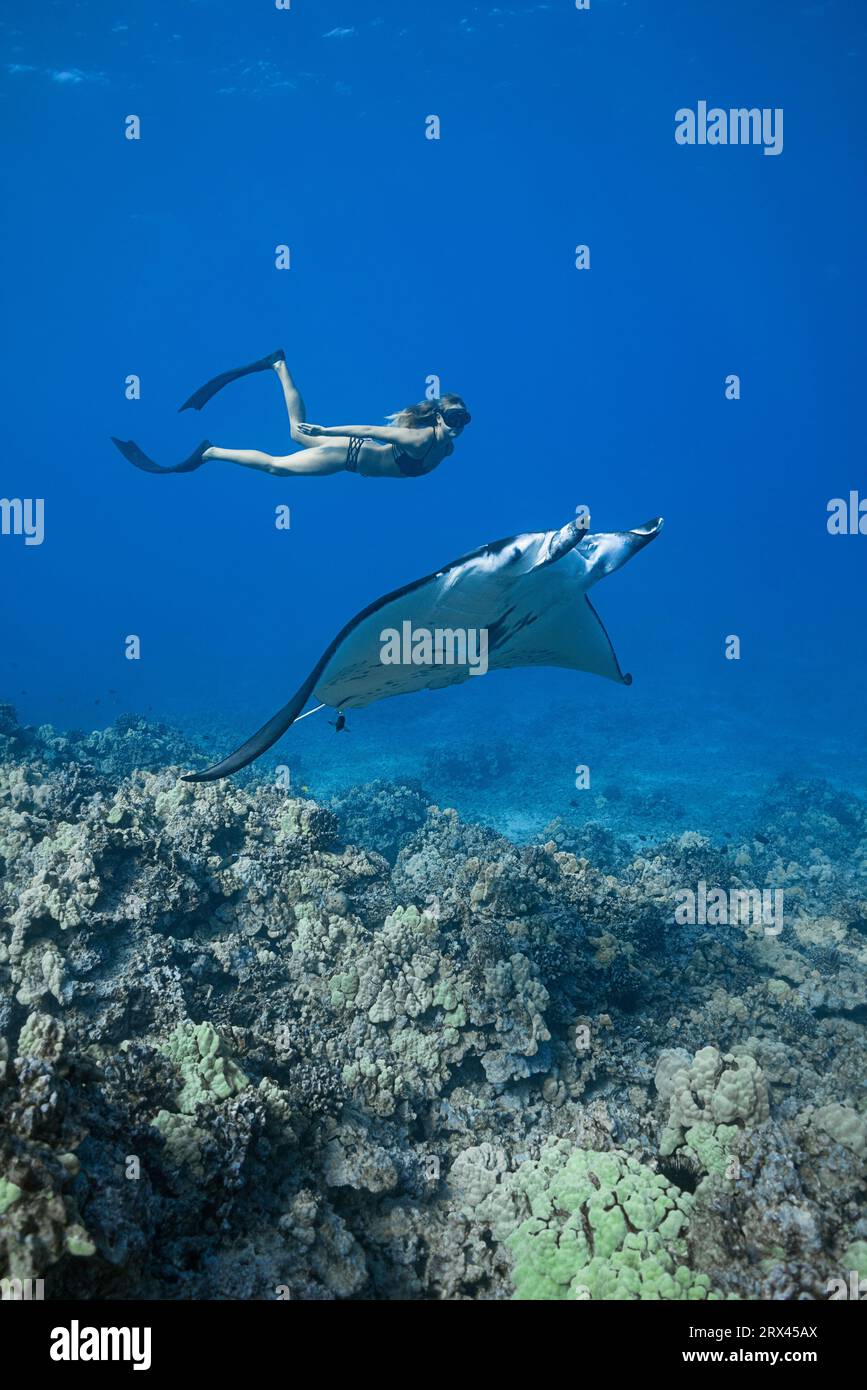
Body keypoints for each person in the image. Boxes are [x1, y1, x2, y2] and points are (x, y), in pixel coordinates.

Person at [111, 349, 470, 480]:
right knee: (278, 467)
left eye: (463, 421)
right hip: (349, 454)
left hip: (354, 451)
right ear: (439, 417)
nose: (458, 427)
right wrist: (327, 431)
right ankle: (209, 452)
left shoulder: (447, 448)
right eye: (453, 419)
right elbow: (368, 428)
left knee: (297, 433)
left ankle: (278, 365)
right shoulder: (419, 438)